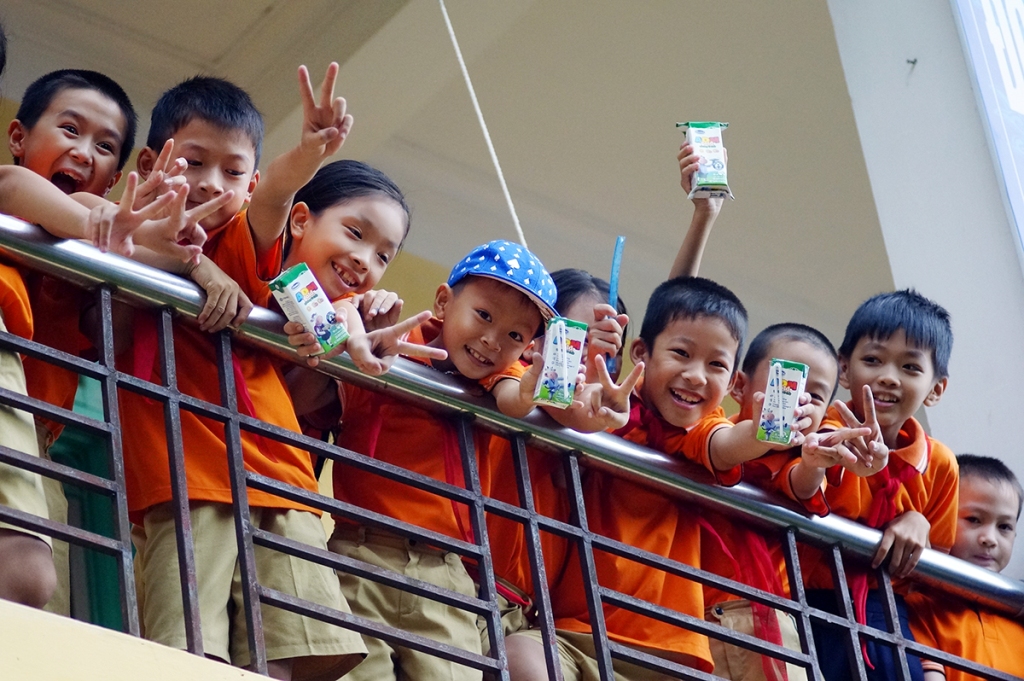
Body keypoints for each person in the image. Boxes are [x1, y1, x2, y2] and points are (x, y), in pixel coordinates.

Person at [122, 66, 374, 679]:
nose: (212, 183)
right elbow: (129, 244)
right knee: (193, 648)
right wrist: (196, 268)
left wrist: (310, 152)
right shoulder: (119, 227)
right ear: (152, 161)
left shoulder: (240, 239)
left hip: (282, 476)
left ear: (251, 181)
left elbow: (274, 199)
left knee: (289, 651)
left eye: (233, 172)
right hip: (187, 475)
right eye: (194, 162)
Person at [507, 276, 815, 681]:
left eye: (716, 365)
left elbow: (725, 445)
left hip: (671, 654)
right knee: (519, 655)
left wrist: (762, 432)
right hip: (575, 632)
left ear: (731, 382)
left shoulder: (696, 432)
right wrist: (594, 357)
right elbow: (575, 407)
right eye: (681, 353)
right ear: (641, 353)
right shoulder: (612, 409)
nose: (696, 375)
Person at [298, 239, 564, 681]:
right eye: (484, 315)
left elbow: (514, 400)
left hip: (447, 573)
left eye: (515, 336)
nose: (492, 340)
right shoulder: (392, 344)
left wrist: (534, 382)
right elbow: (337, 338)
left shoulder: (498, 378)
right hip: (361, 553)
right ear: (443, 301)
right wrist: (357, 313)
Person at [3, 67, 209, 616]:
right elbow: (22, 191)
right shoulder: (12, 189)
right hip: (7, 414)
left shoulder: (91, 258)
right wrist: (130, 233)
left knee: (36, 611)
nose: (83, 151)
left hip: (39, 443)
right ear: (19, 136)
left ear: (115, 177)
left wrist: (185, 255)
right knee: (23, 572)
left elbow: (138, 277)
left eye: (104, 146)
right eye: (69, 129)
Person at [803, 290, 959, 681]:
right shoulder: (820, 435)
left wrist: (919, 523)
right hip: (806, 599)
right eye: (873, 360)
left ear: (936, 389)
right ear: (844, 368)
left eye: (910, 366)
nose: (889, 376)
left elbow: (937, 566)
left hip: (887, 614)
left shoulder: (940, 465)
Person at [703, 323, 867, 681]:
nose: (799, 401)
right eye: (786, 383)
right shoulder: (713, 435)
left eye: (815, 396)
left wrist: (814, 463)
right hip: (699, 612)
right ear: (740, 386)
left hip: (771, 622)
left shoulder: (802, 459)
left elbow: (802, 484)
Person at [908, 454, 1024, 681]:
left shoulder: (1018, 611)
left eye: (1004, 526)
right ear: (940, 518)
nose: (990, 539)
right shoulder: (920, 605)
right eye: (974, 519)